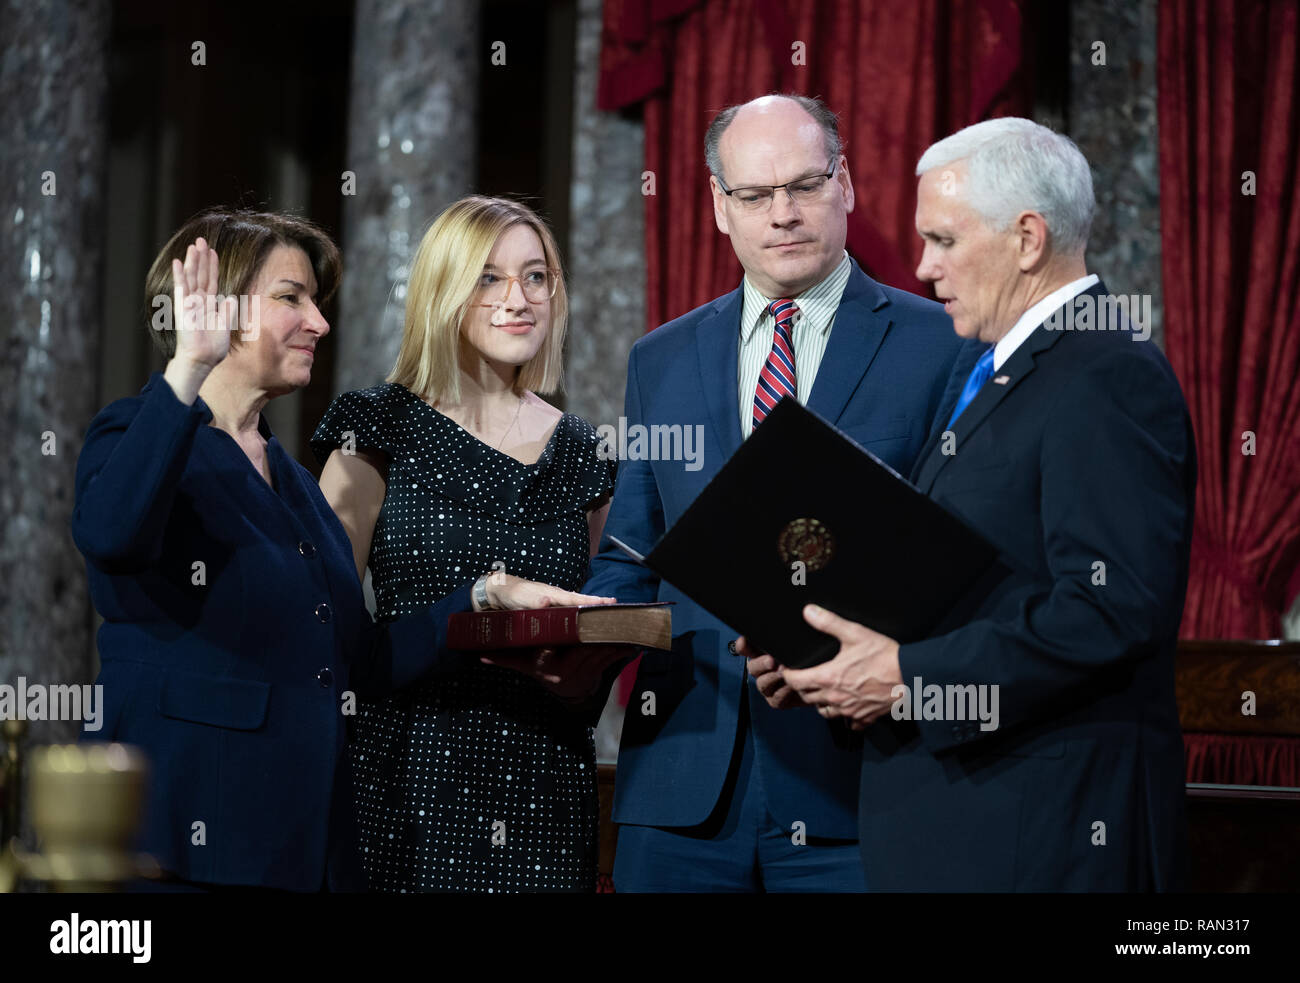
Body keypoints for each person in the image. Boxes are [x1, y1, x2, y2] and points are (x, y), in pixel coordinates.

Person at [71, 209, 607, 892]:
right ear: (217, 308)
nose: (320, 323)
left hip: (296, 847)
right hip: (177, 840)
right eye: (291, 298)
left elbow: (356, 661)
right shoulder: (136, 432)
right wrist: (187, 369)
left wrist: (480, 595)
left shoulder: (294, 483)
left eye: (314, 303)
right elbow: (112, 534)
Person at [754, 118, 1195, 891]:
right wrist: (834, 654)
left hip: (1041, 836)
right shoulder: (1002, 370)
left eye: (944, 240)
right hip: (966, 824)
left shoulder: (1105, 374)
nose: (924, 267)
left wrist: (905, 675)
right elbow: (977, 582)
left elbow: (1109, 612)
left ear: (1027, 237)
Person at [583, 94, 965, 892]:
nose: (782, 213)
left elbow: (959, 560)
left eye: (804, 185)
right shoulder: (661, 357)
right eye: (755, 195)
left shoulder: (942, 344)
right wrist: (577, 631)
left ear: (847, 184)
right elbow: (629, 554)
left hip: (858, 788)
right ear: (720, 206)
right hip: (680, 782)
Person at [313, 196, 624, 893]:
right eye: (488, 277)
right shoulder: (377, 429)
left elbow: (606, 620)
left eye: (535, 276)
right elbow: (325, 636)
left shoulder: (587, 456)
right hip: (404, 781)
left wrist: (589, 674)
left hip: (547, 787)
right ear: (443, 290)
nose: (518, 298)